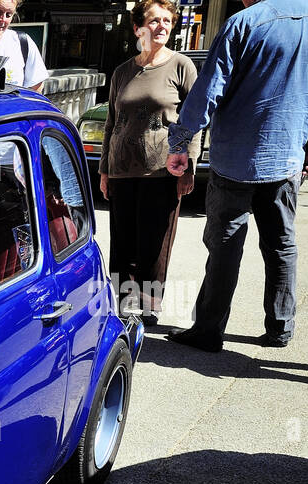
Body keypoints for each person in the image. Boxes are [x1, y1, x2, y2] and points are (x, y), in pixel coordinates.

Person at [164, 0, 308, 352]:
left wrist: (181, 142)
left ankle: (209, 329)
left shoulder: (244, 23)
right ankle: (280, 327)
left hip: (236, 157)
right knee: (281, 244)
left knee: (225, 245)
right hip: (288, 156)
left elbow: (207, 90)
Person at [100, 0, 199, 326]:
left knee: (154, 245)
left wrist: (189, 165)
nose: (161, 26)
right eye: (154, 20)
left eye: (167, 21)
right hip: (122, 170)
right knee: (123, 241)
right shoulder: (122, 72)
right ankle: (124, 306)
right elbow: (112, 123)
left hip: (162, 171)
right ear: (138, 27)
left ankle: (149, 307)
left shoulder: (182, 67)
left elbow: (194, 120)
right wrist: (104, 169)